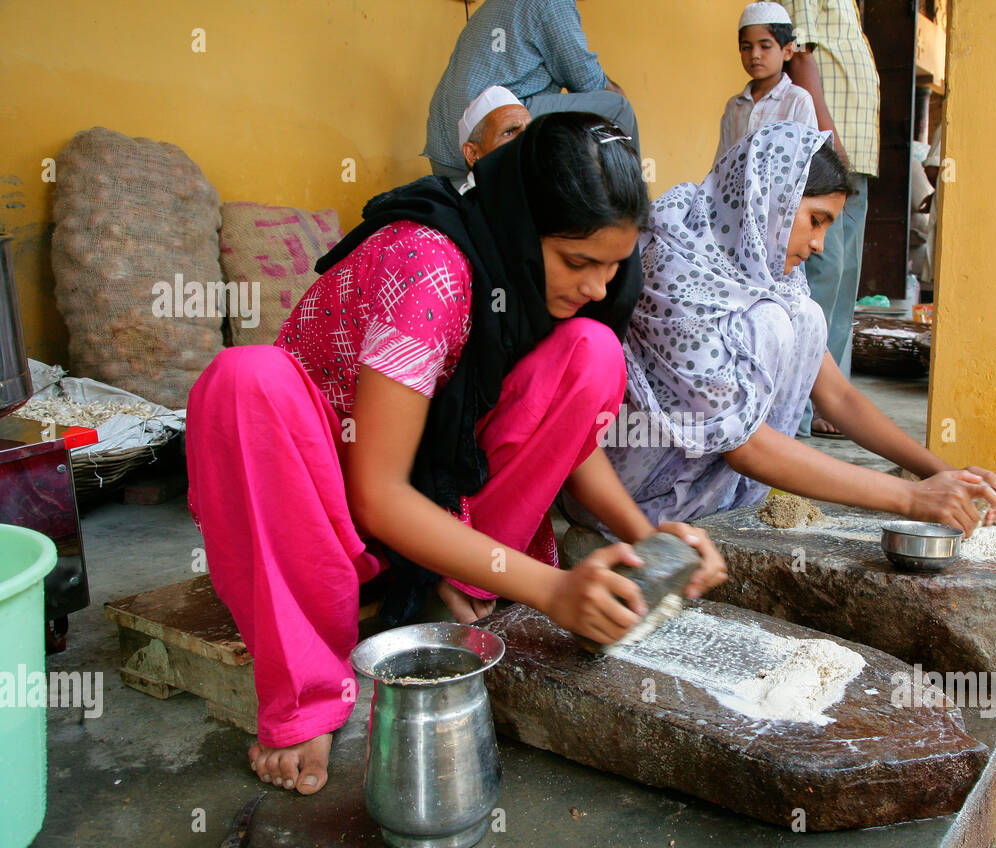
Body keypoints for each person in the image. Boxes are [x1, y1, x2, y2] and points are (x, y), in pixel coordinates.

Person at [186, 114, 726, 795]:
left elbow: (567, 439)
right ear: (521, 223)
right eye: (578, 262)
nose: (598, 287)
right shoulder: (429, 268)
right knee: (245, 380)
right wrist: (553, 591)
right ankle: (308, 695)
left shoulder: (538, 281)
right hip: (324, 509)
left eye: (614, 265)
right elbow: (376, 494)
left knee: (593, 352)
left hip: (435, 494)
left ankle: (461, 572)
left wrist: (650, 542)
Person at [561, 123, 996, 540]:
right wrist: (910, 498)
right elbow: (745, 448)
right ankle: (652, 522)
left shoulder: (764, 266)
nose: (818, 245)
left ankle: (720, 504)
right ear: (771, 198)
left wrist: (940, 474)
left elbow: (837, 397)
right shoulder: (678, 267)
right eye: (815, 220)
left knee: (806, 316)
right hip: (626, 483)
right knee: (773, 320)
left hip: (702, 467)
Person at [780, 0, 880, 439]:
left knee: (843, 282)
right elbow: (801, 55)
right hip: (829, 153)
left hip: (858, 158)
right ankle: (799, 407)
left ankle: (830, 398)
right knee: (821, 271)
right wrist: (827, 137)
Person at [424, 0, 638, 184]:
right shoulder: (553, 3)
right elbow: (587, 80)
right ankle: (633, 213)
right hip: (493, 133)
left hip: (443, 143)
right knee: (617, 108)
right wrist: (616, 92)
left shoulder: (493, 5)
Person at [713, 2, 816, 167]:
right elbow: (722, 165)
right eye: (746, 47)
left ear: (788, 51)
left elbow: (809, 161)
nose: (755, 54)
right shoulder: (734, 106)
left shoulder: (798, 101)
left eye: (765, 46)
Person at [457, 86, 532, 194]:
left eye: (529, 131)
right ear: (472, 154)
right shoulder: (467, 204)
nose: (526, 140)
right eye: (508, 133)